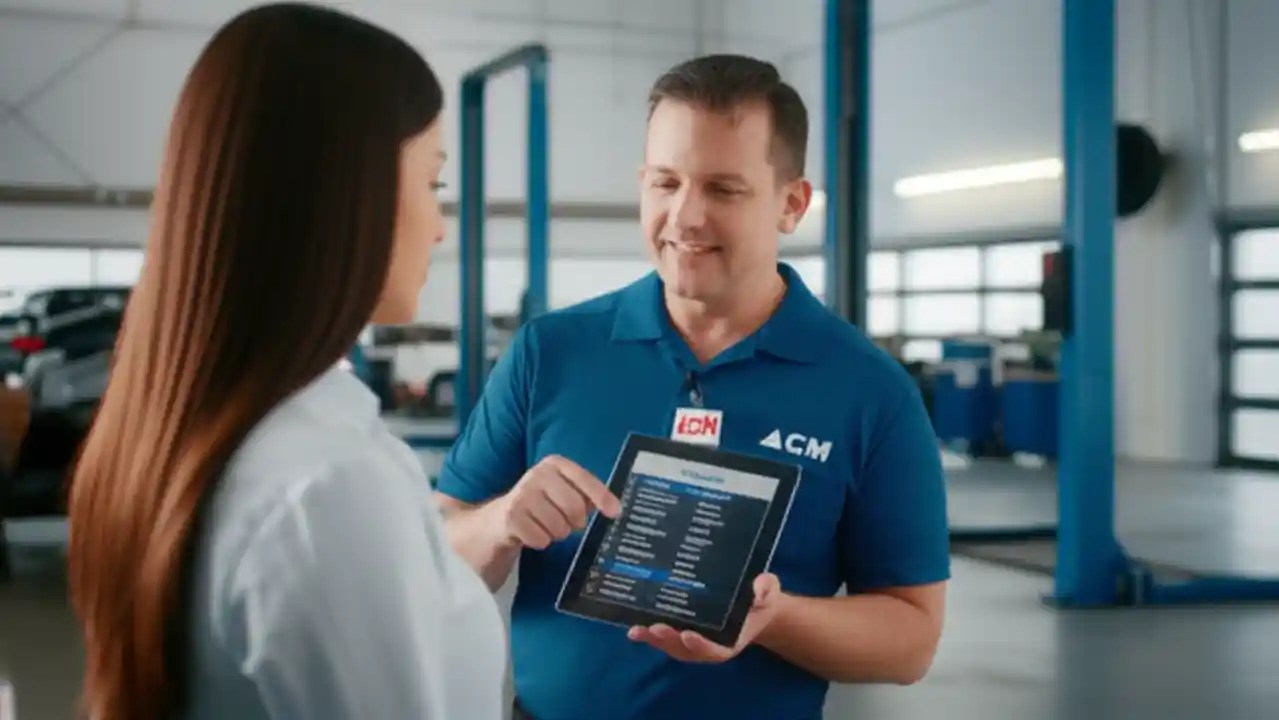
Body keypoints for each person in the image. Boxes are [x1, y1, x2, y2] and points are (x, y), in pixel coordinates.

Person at [435, 54, 950, 720]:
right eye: (666, 182)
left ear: (792, 203)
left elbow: (910, 640)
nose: (684, 217)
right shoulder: (550, 352)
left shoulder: (871, 392)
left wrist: (774, 618)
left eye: (723, 189)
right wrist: (499, 522)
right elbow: (440, 551)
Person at [65, 5, 505, 719]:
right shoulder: (331, 486)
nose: (440, 223)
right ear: (346, 197)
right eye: (433, 183)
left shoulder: (167, 442)